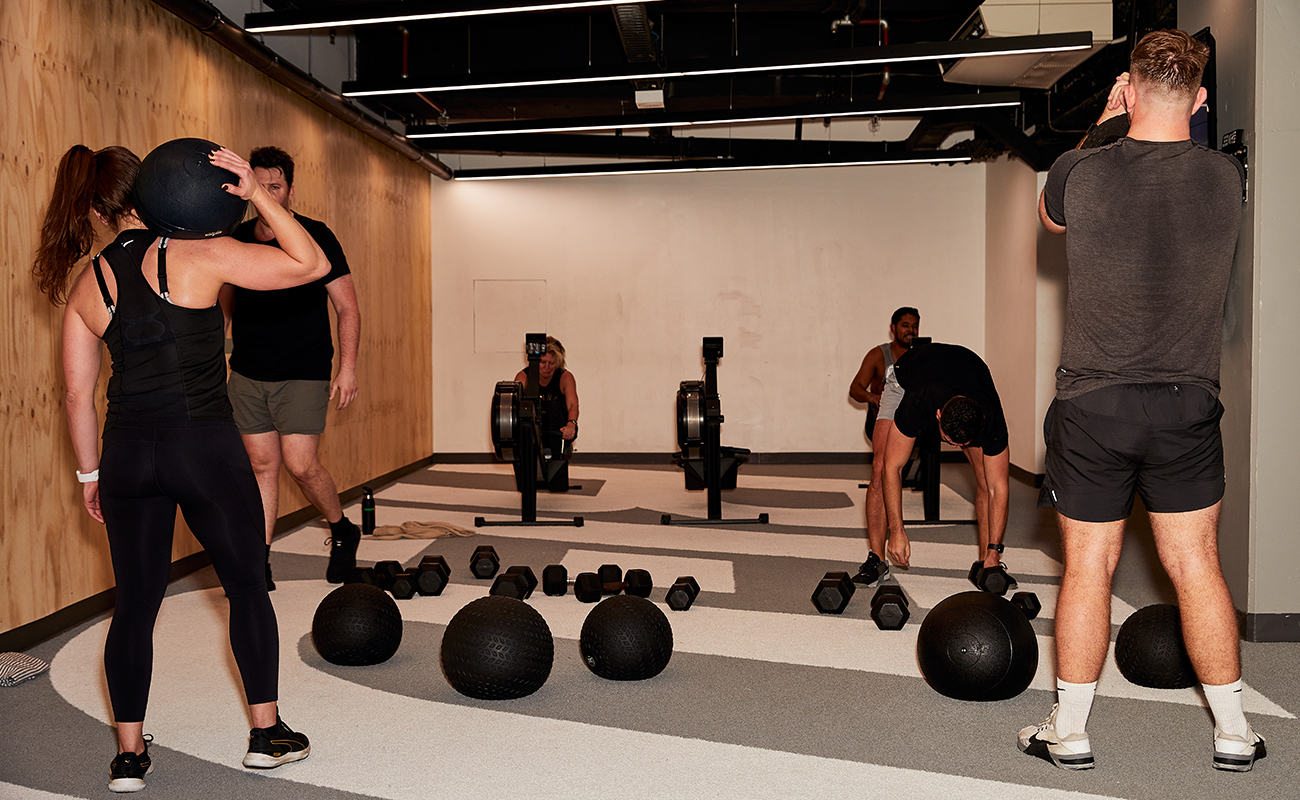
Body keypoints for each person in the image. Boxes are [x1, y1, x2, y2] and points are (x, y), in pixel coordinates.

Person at [34, 143, 328, 792]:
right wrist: (254, 193)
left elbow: (77, 397)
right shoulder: (197, 254)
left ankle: (130, 756)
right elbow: (310, 263)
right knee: (247, 585)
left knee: (134, 606)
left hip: (127, 457)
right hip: (204, 450)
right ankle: (265, 735)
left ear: (100, 210)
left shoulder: (88, 284)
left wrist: (90, 477)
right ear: (160, 190)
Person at [1021, 29, 1260, 772]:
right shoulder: (1227, 179)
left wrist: (1105, 118)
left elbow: (1050, 216)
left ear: (1126, 89)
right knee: (1197, 566)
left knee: (1088, 568)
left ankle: (1072, 731)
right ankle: (1232, 733)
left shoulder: (1080, 172)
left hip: (1095, 406)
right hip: (1187, 402)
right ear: (1202, 98)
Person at [219, 146, 361, 587]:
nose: (266, 194)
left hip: (303, 369)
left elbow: (347, 308)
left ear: (290, 190)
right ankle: (259, 560)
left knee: (301, 465)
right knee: (262, 467)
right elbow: (224, 305)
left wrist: (349, 367)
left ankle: (341, 529)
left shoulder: (316, 236)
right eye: (259, 186)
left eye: (274, 186)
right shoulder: (236, 238)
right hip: (247, 370)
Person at [877, 343, 1015, 587]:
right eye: (950, 440)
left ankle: (987, 562)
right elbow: (893, 468)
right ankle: (875, 558)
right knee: (881, 464)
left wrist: (996, 550)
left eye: (960, 443)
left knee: (986, 479)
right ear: (938, 415)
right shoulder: (919, 401)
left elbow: (998, 488)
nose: (953, 447)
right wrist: (897, 530)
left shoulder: (990, 418)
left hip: (970, 368)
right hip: (908, 372)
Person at [848, 307, 920, 585]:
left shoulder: (921, 354)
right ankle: (876, 557)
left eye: (914, 325)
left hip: (914, 419)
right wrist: (871, 397)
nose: (909, 330)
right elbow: (855, 388)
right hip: (883, 415)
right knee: (880, 467)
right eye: (904, 325)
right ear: (893, 327)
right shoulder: (879, 355)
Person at [514, 335, 579, 461]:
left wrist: (571, 423)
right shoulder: (523, 377)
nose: (547, 368)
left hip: (558, 431)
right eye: (542, 362)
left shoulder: (565, 377)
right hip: (532, 431)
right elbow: (514, 407)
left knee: (555, 410)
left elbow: (572, 405)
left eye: (551, 363)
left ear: (558, 363)